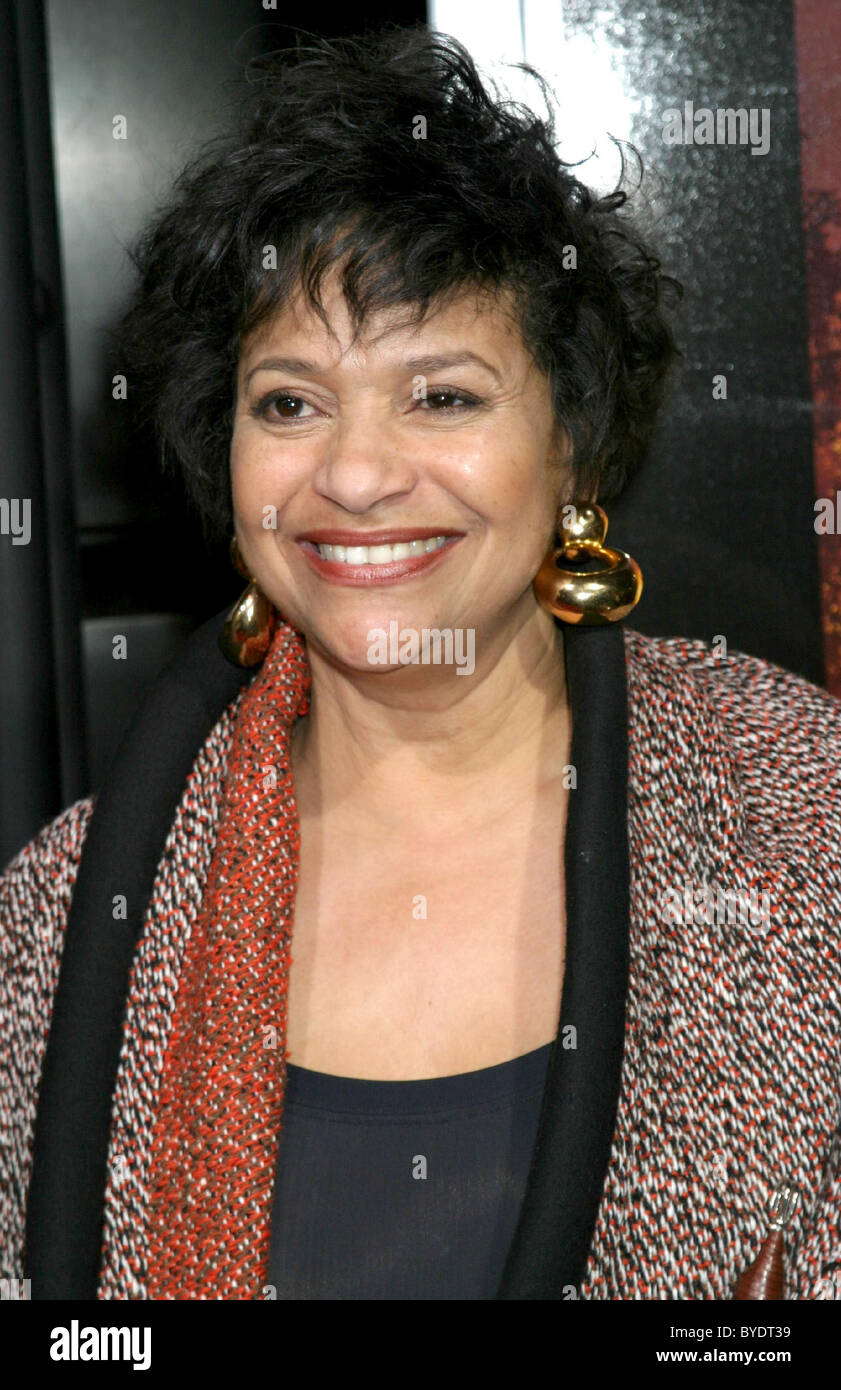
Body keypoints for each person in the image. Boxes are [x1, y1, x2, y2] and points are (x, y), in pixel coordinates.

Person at [2, 25, 839, 1303]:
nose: (351, 473)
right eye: (287, 401)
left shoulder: (801, 815)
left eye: (439, 394)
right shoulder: (64, 913)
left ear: (572, 450)